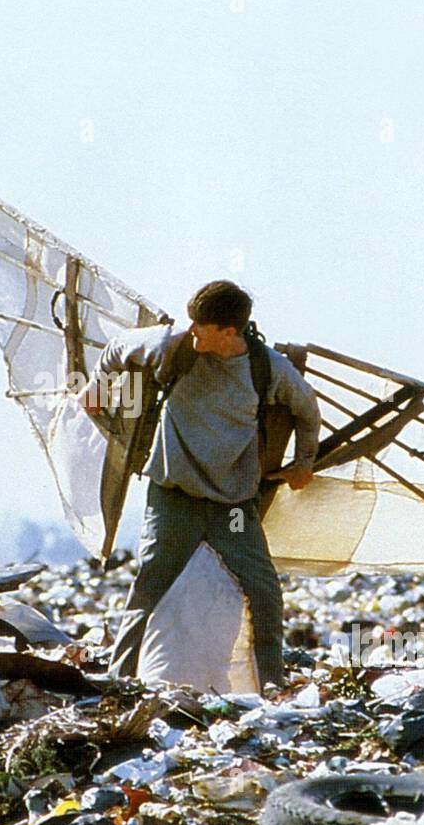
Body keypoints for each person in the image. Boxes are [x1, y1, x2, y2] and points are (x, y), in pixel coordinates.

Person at [82, 280, 320, 690]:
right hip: (174, 495)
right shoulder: (170, 347)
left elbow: (307, 410)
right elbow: (117, 348)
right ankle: (118, 683)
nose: (192, 330)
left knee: (262, 590)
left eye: (201, 326)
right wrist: (95, 388)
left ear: (229, 332)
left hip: (232, 507)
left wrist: (304, 464)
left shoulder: (267, 368)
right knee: (150, 586)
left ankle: (272, 685)